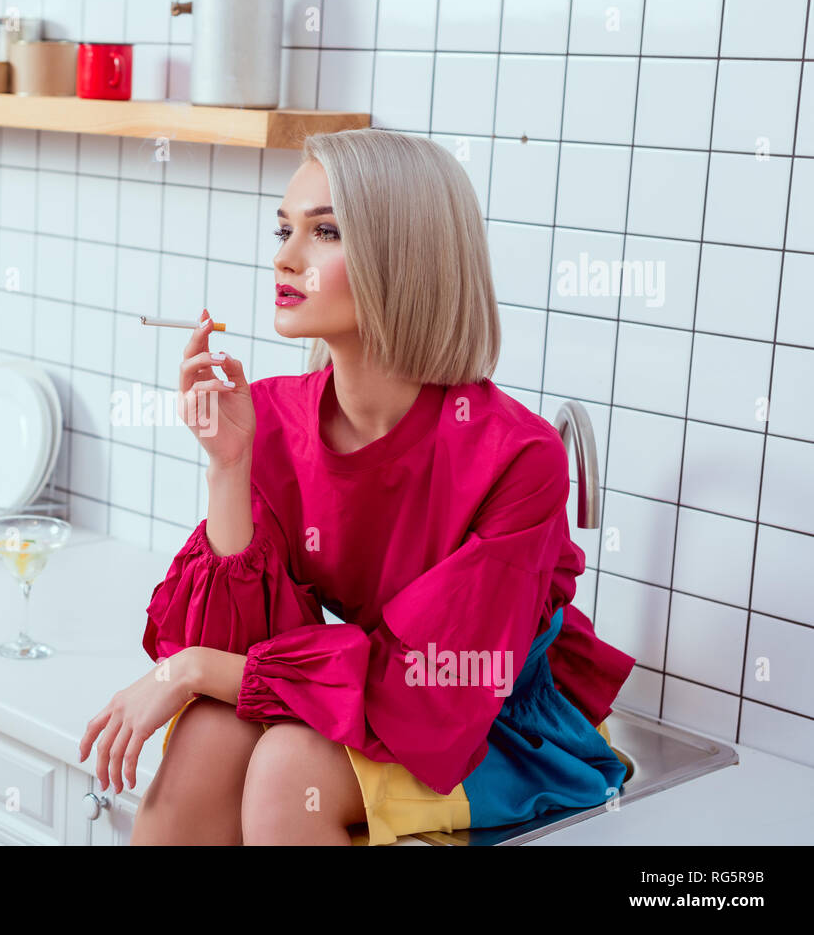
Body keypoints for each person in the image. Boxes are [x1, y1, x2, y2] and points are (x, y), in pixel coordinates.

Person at [76, 127, 635, 846]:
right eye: (284, 229)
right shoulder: (273, 416)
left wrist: (187, 669)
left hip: (486, 720)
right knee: (210, 732)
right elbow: (239, 642)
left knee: (284, 766)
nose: (284, 256)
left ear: (402, 259)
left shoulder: (515, 458)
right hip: (377, 692)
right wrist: (228, 467)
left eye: (325, 232)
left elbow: (427, 689)